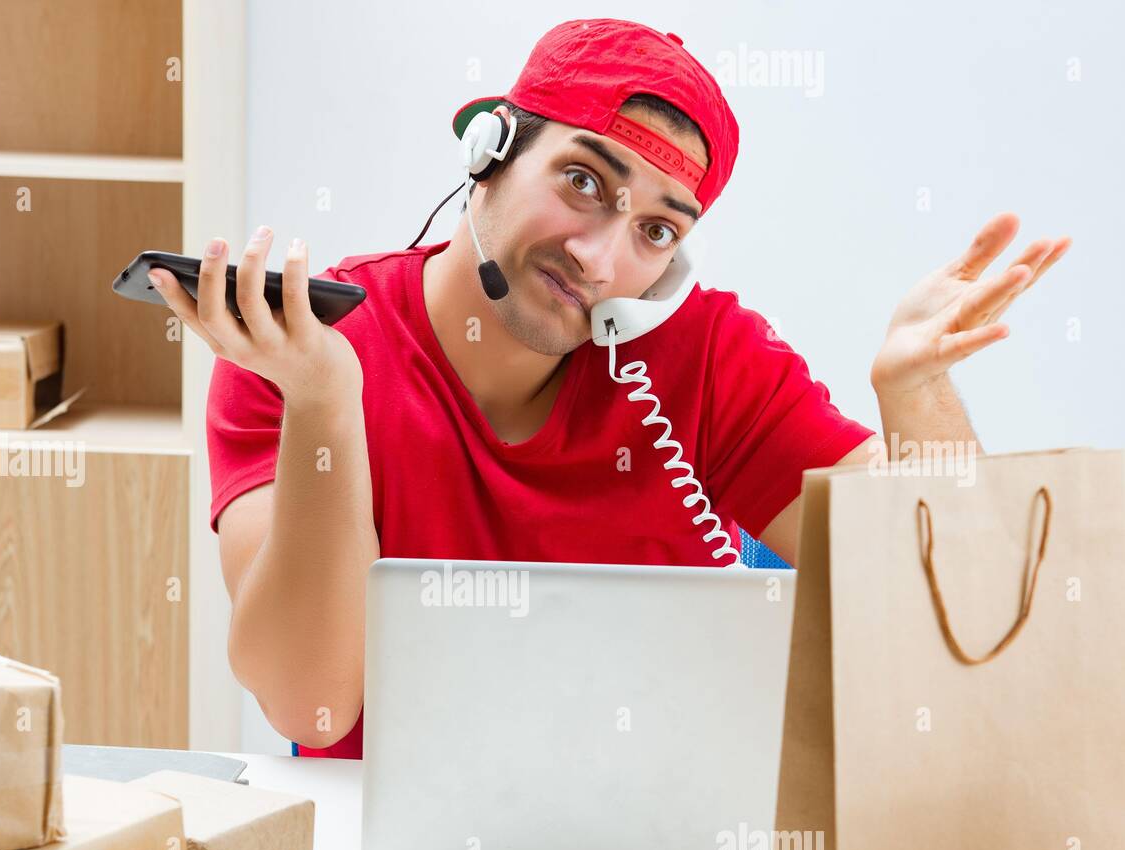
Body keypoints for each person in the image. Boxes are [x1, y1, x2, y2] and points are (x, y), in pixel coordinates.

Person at [149, 18, 1070, 759]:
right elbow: (311, 707)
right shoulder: (300, 352)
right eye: (585, 180)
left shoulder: (707, 356)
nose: (601, 258)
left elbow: (969, 618)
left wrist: (919, 399)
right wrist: (323, 406)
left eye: (657, 231)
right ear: (489, 152)